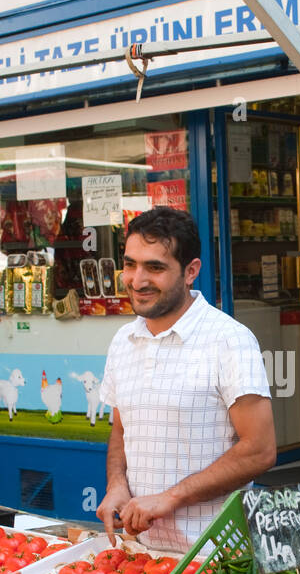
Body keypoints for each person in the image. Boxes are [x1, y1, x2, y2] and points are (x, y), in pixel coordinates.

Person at [96, 207, 276, 550]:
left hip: (215, 557)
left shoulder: (229, 340)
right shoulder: (123, 341)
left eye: (155, 267)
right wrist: (117, 483)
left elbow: (260, 450)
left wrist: (171, 497)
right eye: (131, 264)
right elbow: (122, 429)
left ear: (191, 271)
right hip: (141, 555)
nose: (137, 280)